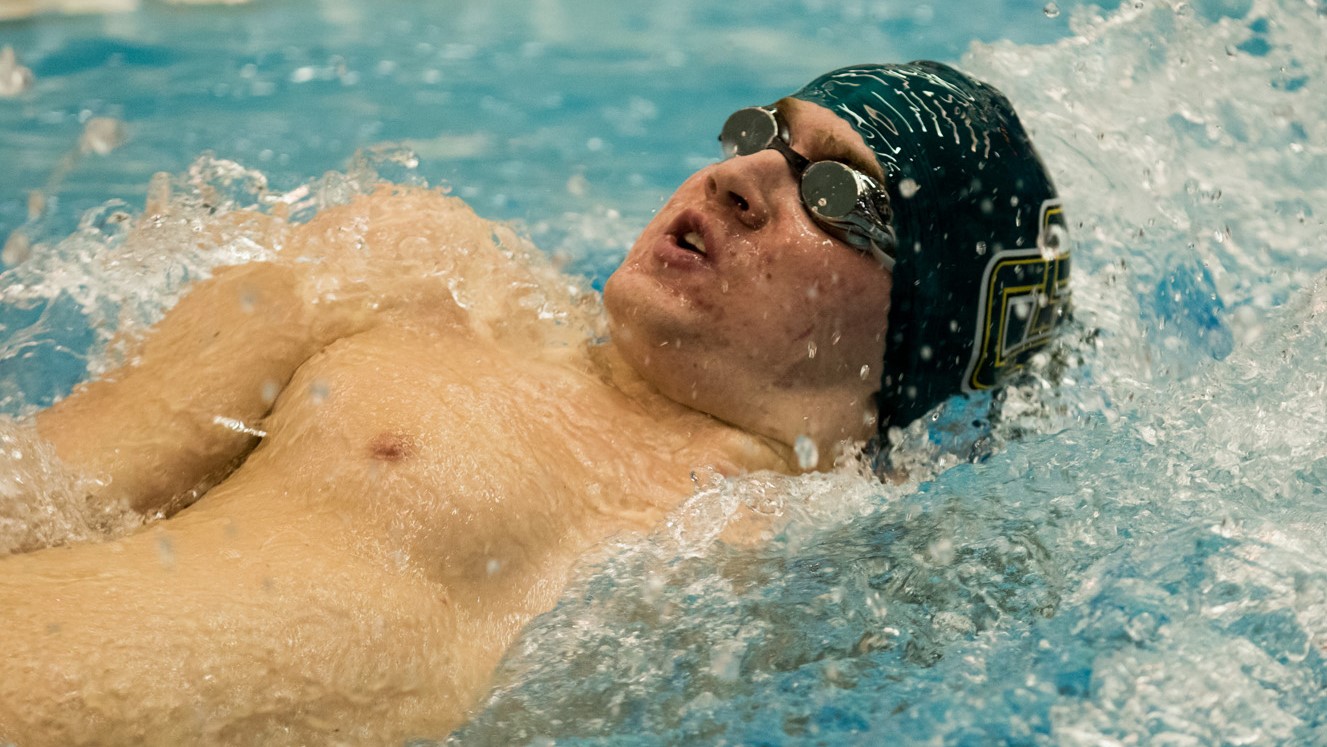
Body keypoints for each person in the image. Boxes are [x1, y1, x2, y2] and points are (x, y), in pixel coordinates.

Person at [0, 61, 1069, 745]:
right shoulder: (421, 280)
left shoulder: (860, 572)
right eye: (762, 131)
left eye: (835, 192)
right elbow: (47, 485)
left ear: (917, 327)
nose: (740, 176)